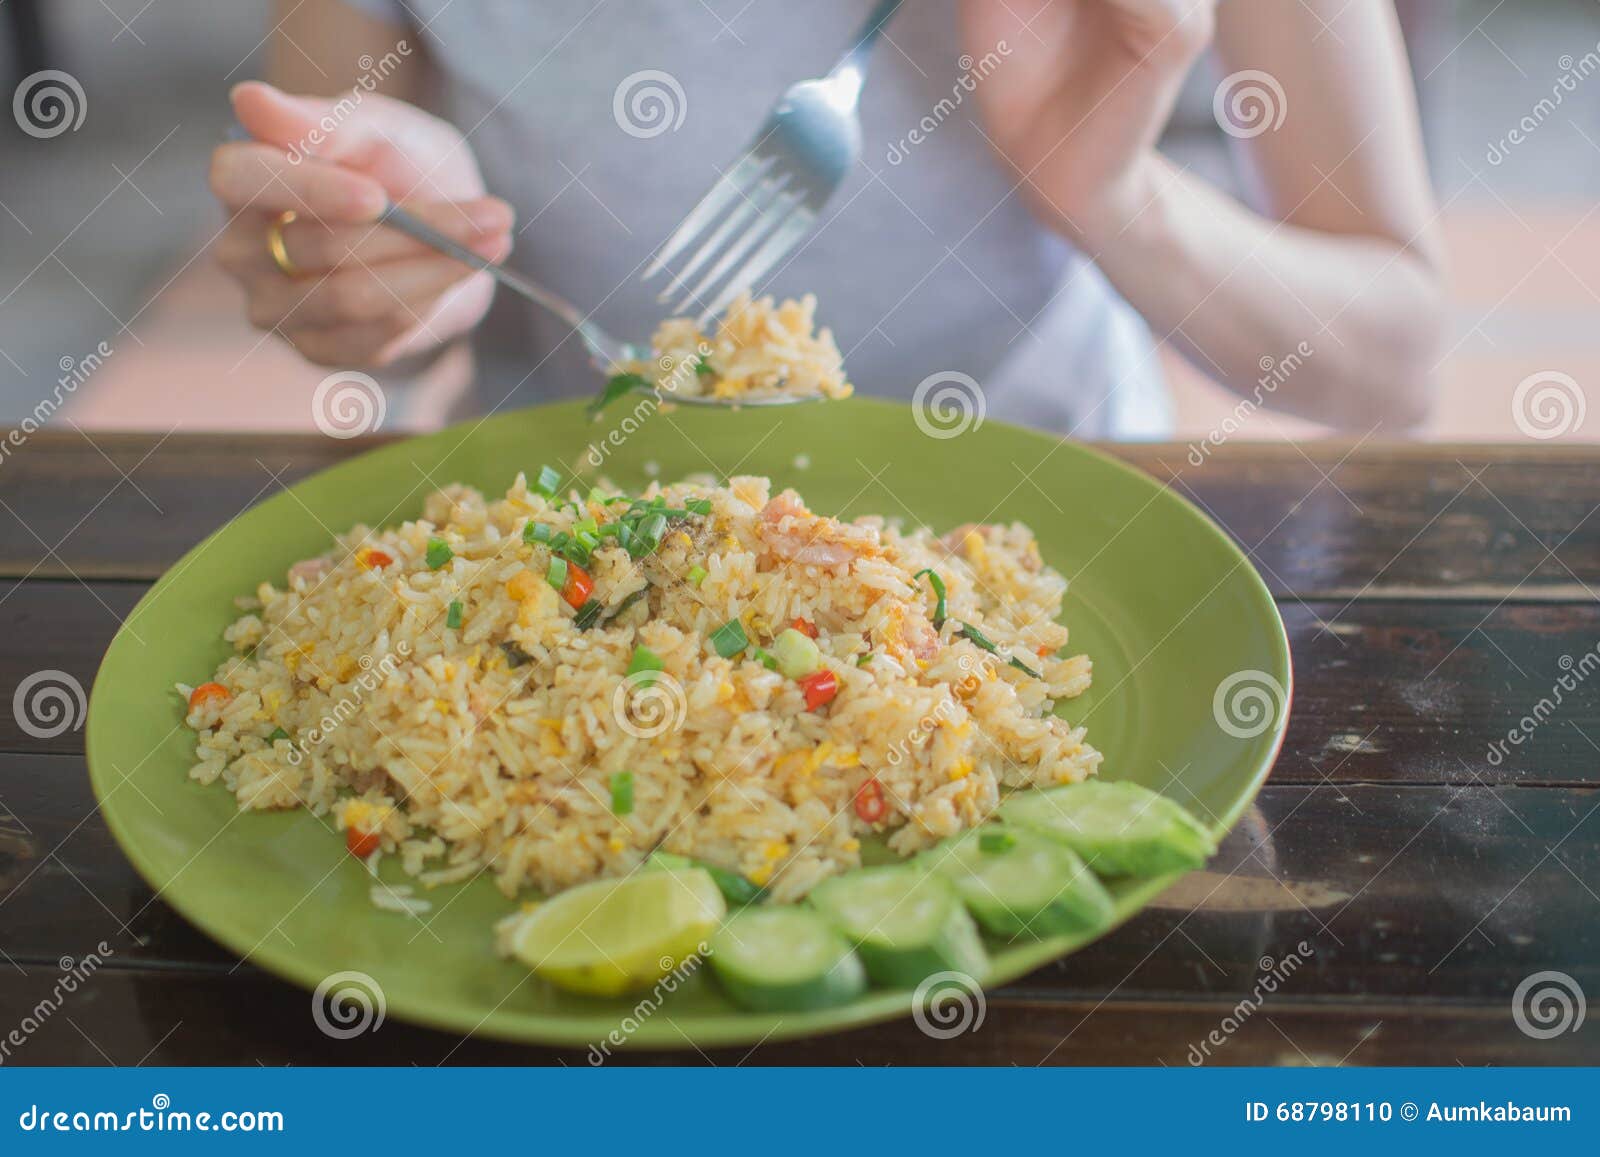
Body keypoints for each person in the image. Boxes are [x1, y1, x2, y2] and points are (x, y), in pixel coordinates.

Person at [210, 0, 1445, 437]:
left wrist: (1115, 201)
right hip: (562, 546)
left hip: (1057, 556)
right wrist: (387, 249)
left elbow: (1389, 364)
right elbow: (336, 262)